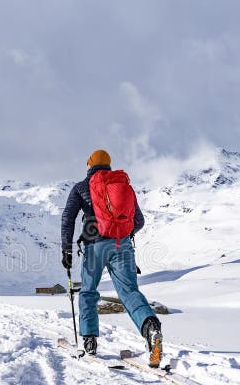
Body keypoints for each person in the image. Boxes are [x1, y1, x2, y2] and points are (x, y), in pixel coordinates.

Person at [60, 149, 163, 367]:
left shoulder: (81, 187)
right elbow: (139, 221)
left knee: (88, 292)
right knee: (129, 292)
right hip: (122, 245)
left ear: (89, 165)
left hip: (94, 246)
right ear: (108, 165)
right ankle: (150, 327)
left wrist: (66, 250)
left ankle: (89, 341)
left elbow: (68, 218)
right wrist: (122, 234)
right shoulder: (123, 186)